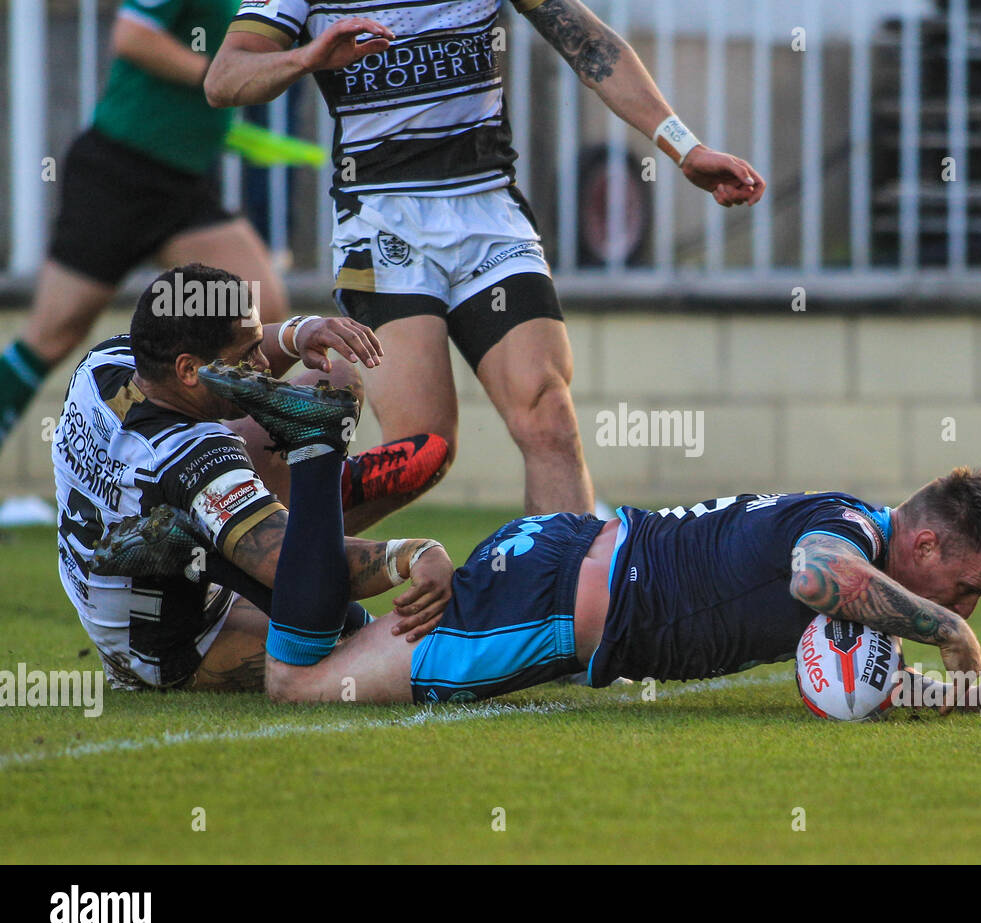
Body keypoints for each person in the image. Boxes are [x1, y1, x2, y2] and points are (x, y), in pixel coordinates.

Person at [105, 363, 981, 716]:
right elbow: (815, 579)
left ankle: (218, 553)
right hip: (548, 607)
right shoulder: (844, 535)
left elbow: (856, 682)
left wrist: (973, 699)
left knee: (344, 628)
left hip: (557, 562)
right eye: (968, 587)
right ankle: (311, 453)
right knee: (299, 684)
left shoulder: (860, 548)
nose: (964, 608)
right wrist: (947, 632)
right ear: (926, 549)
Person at [203, 0, 768, 517]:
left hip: (489, 211)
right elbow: (224, 80)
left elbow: (589, 44)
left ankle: (562, 609)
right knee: (422, 452)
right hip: (382, 221)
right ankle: (271, 552)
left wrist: (684, 146)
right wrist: (307, 57)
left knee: (548, 420)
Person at [60, 263, 453, 691]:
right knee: (341, 655)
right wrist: (413, 554)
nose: (264, 364)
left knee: (331, 377)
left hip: (127, 557)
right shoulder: (196, 456)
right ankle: (306, 488)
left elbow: (227, 356)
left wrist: (297, 332)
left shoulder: (108, 361)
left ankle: (294, 500)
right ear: (189, 370)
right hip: (167, 642)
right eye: (248, 355)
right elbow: (298, 572)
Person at [0, 0, 287, 450]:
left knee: (259, 314)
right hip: (121, 173)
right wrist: (217, 76)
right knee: (51, 337)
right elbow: (133, 37)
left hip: (185, 182)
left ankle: (205, 468)